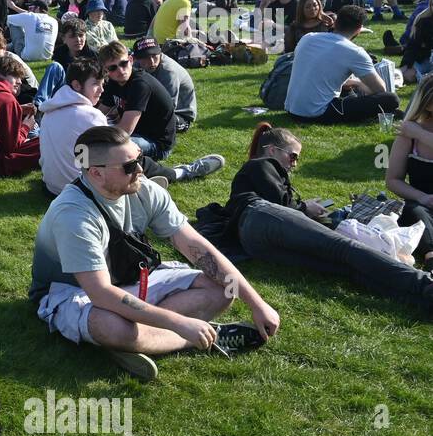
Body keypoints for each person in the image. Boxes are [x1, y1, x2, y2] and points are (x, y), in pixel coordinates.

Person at [30, 126, 279, 381]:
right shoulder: (74, 216)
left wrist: (256, 303)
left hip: (132, 276)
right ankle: (189, 338)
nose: (140, 169)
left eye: (140, 159)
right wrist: (179, 323)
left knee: (223, 290)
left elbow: (198, 248)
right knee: (110, 327)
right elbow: (101, 293)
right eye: (129, 166)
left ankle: (140, 340)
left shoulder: (145, 190)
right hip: (73, 292)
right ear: (96, 173)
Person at [197, 123, 433, 313]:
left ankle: (421, 300)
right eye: (293, 156)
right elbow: (280, 203)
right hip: (259, 215)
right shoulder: (261, 164)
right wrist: (304, 207)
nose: (294, 164)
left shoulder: (261, 170)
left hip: (255, 242)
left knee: (344, 267)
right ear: (272, 151)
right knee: (346, 249)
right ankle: (425, 285)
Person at [39, 58, 223, 197]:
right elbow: (122, 149)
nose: (101, 90)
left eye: (102, 84)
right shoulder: (90, 115)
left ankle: (146, 184)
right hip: (80, 190)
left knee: (105, 155)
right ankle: (182, 172)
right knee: (134, 158)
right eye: (95, 84)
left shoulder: (49, 111)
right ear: (77, 85)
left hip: (52, 187)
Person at [285, 5, 400, 124]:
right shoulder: (355, 51)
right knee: (391, 99)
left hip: (292, 109)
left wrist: (352, 82)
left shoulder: (308, 38)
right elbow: (381, 90)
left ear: (335, 23)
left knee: (347, 90)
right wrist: (357, 83)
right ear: (359, 29)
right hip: (317, 113)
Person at [97, 40, 177, 160]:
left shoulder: (140, 84)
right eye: (113, 68)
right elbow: (99, 112)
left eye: (123, 63)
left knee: (110, 146)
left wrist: (94, 134)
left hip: (157, 144)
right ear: (105, 70)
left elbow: (125, 130)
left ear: (131, 60)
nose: (120, 70)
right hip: (137, 133)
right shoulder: (114, 82)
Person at [387, 77, 433, 260]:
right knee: (413, 212)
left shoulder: (414, 132)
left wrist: (420, 134)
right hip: (423, 204)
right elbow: (393, 179)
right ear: (427, 103)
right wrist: (424, 198)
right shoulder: (409, 134)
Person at [132, 38, 196, 131]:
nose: (152, 62)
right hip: (153, 106)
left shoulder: (168, 72)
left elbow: (167, 107)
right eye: (146, 57)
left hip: (178, 115)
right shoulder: (136, 64)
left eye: (154, 56)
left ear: (160, 53)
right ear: (136, 58)